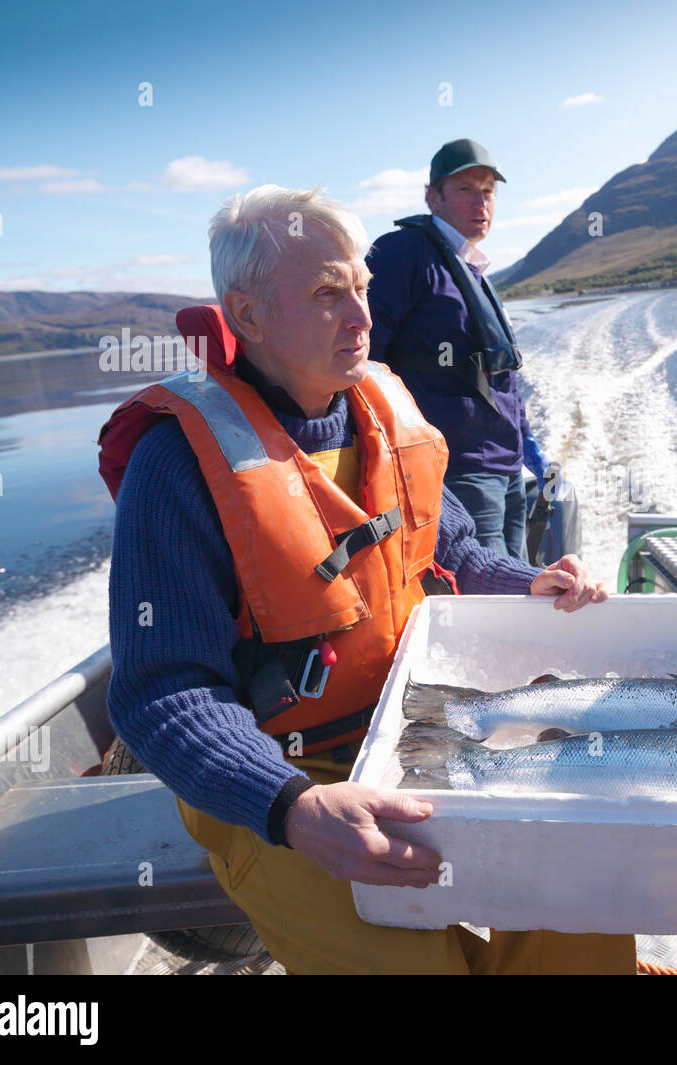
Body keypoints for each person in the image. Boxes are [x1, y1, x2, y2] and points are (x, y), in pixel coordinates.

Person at [97, 185, 611, 975]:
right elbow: (161, 689)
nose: (363, 316)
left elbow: (456, 555)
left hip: (413, 732)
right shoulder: (178, 467)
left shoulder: (384, 411)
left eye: (362, 287)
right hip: (268, 783)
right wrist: (290, 806)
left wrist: (532, 582)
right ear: (249, 315)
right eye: (327, 293)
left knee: (581, 907)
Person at [365, 138, 547, 562]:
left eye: (488, 191)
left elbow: (500, 373)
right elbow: (363, 357)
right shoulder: (403, 253)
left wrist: (528, 443)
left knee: (518, 581)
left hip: (507, 466)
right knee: (490, 603)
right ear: (434, 197)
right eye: (465, 189)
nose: (480, 201)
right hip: (458, 468)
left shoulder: (474, 271)